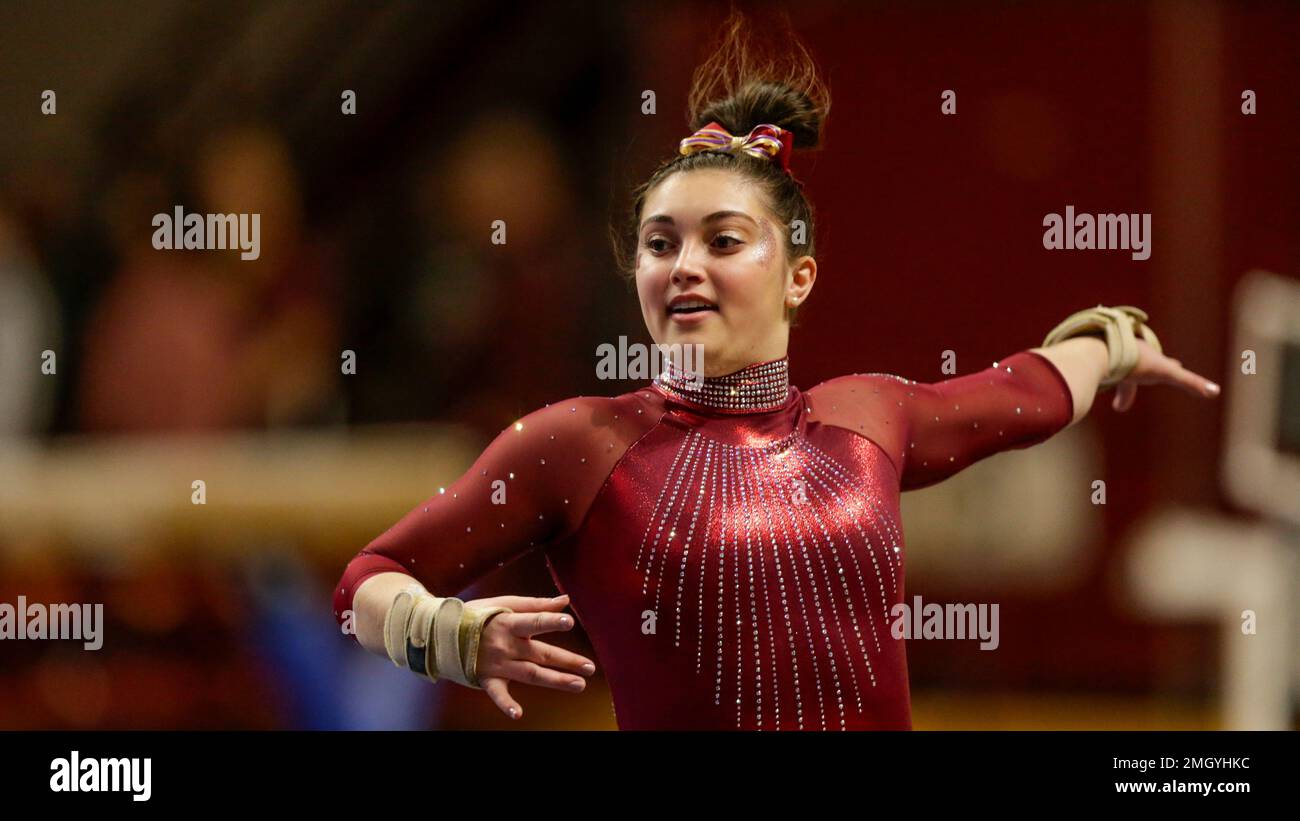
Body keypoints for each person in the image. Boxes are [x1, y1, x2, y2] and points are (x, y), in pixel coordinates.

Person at [333, 12, 1219, 730]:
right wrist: (444, 633)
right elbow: (364, 580)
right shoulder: (579, 443)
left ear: (799, 276)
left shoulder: (866, 416)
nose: (684, 265)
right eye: (659, 243)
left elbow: (1030, 389)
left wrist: (1116, 342)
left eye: (722, 240)